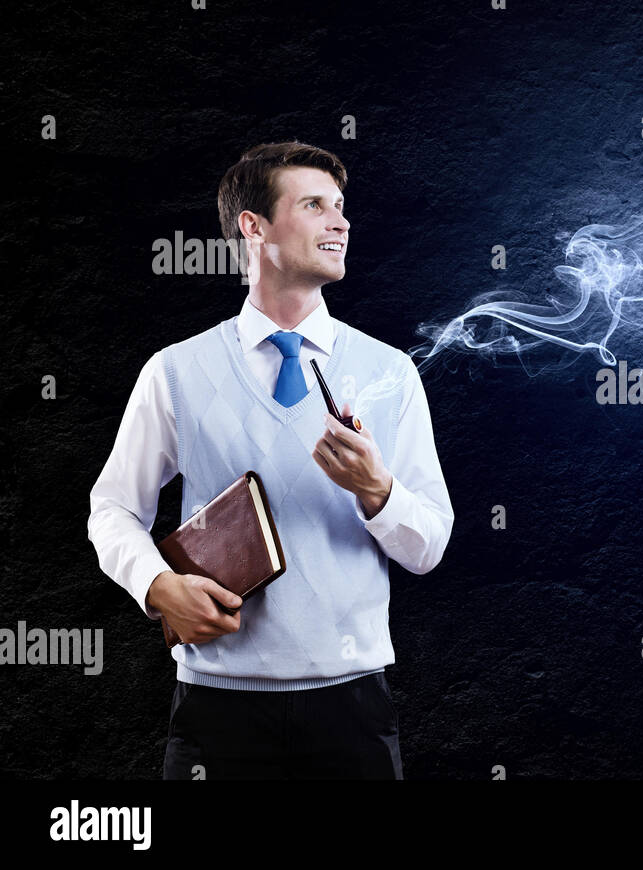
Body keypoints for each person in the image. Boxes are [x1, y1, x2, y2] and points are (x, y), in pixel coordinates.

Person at [86, 141, 454, 779]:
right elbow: (112, 507)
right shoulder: (175, 370)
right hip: (216, 708)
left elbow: (429, 547)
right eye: (314, 205)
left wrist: (377, 492)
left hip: (353, 710)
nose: (340, 222)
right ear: (252, 226)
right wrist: (157, 586)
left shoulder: (389, 372)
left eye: (340, 207)